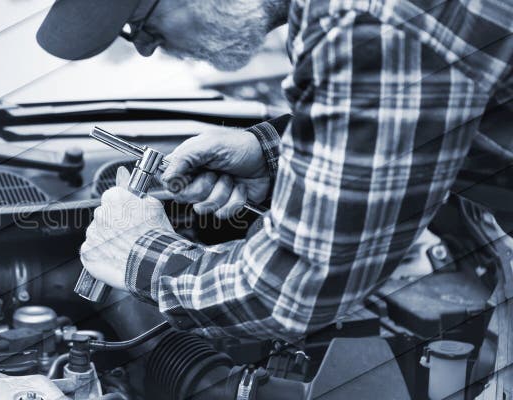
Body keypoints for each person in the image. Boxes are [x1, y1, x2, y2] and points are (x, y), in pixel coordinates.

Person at [36, 0, 513, 344]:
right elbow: (424, 115)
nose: (142, 49)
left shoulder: (366, 19)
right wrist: (273, 153)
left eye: (137, 22)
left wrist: (140, 255)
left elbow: (294, 289)